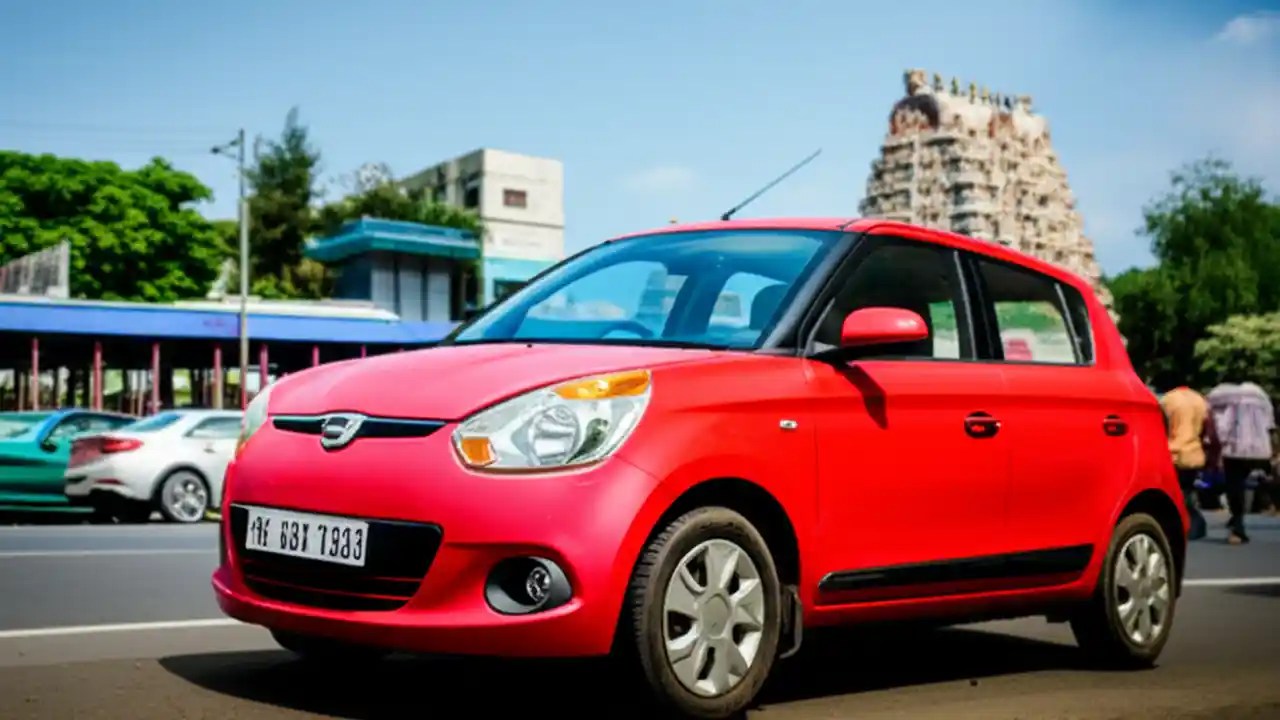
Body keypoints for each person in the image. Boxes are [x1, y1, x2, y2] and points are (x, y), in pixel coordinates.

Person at [1207, 382, 1275, 544]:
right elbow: (1270, 424)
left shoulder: (1227, 399)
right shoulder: (1260, 397)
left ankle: (1238, 527)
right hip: (1259, 449)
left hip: (1235, 450)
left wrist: (1217, 445)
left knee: (1234, 487)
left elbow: (1223, 427)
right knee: (1253, 481)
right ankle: (1241, 518)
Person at [1161, 385, 1211, 541]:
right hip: (1194, 453)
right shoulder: (1200, 400)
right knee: (1187, 491)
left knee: (1175, 494)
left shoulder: (1167, 400)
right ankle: (1192, 526)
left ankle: (1184, 526)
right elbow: (1206, 428)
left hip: (1173, 453)